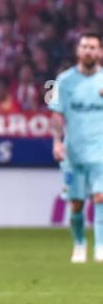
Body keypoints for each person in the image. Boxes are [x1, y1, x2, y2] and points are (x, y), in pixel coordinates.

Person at [49, 32, 103, 263]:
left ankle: (100, 246)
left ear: (100, 52)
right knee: (77, 203)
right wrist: (57, 142)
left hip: (100, 151)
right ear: (78, 51)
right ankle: (79, 243)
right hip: (73, 152)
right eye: (85, 47)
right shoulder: (63, 81)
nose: (89, 51)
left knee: (101, 198)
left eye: (93, 47)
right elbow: (56, 116)